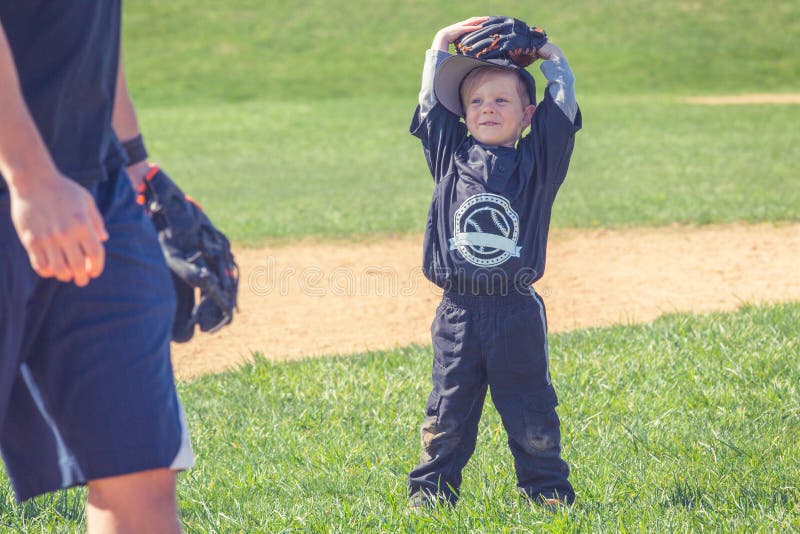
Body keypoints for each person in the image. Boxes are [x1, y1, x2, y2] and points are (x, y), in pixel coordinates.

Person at [0, 3, 192, 532]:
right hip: (31, 183)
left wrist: (135, 163)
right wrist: (30, 177)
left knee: (141, 473)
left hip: (96, 192)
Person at [407, 17, 582, 509]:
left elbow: (562, 109)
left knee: (531, 410)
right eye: (477, 101)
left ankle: (547, 492)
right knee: (448, 413)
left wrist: (551, 55)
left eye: (502, 101)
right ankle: (431, 495)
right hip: (458, 313)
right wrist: (441, 40)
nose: (488, 108)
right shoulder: (450, 156)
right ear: (462, 115)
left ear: (527, 115)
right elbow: (430, 103)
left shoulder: (538, 164)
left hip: (515, 312)